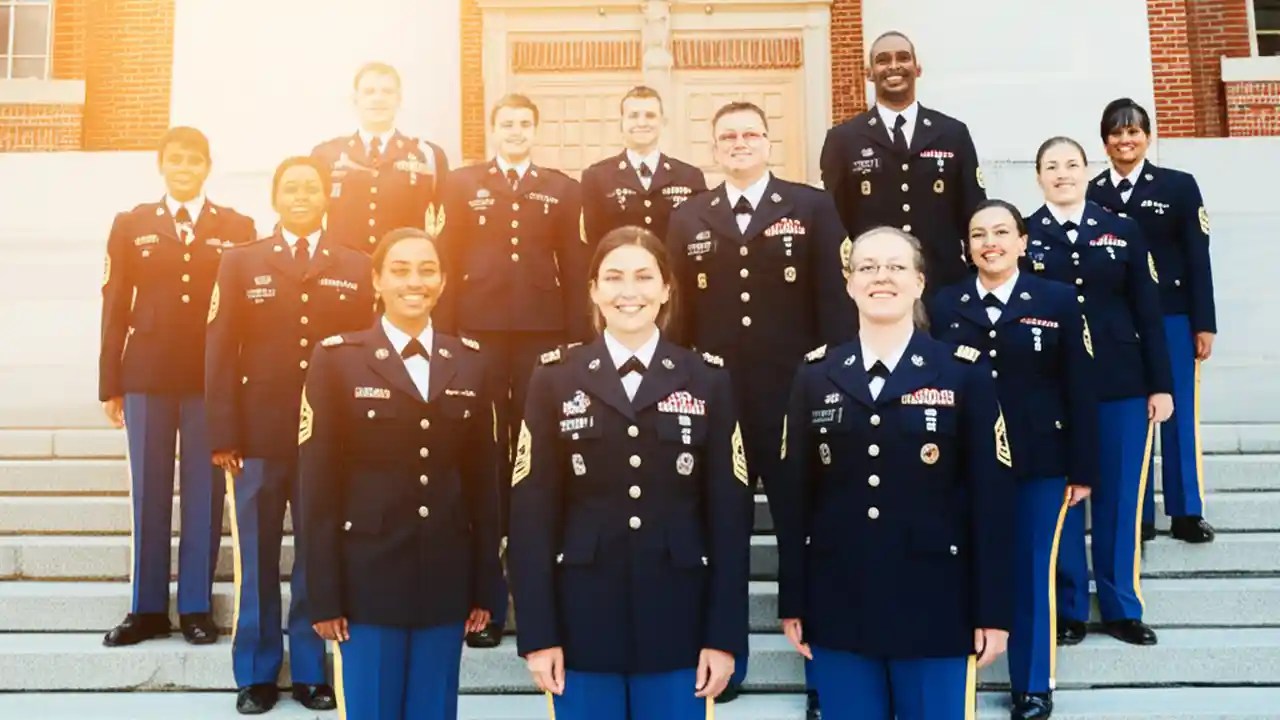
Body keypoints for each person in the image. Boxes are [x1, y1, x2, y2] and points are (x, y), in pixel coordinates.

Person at [507, 226, 752, 720]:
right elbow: (531, 516)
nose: (629, 292)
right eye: (614, 278)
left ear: (666, 290)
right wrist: (538, 635)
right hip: (582, 621)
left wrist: (723, 638)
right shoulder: (554, 378)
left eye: (644, 277)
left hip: (678, 620)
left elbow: (729, 519)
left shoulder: (707, 378)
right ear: (594, 290)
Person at [773, 226, 1015, 720]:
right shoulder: (816, 376)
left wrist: (992, 609)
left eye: (896, 267)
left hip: (937, 603)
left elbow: (992, 499)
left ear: (920, 282)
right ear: (849, 283)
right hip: (840, 600)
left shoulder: (961, 372)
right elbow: (794, 500)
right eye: (867, 267)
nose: (881, 278)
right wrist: (793, 598)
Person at [666, 99, 854, 714]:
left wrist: (829, 382)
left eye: (750, 134)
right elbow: (681, 321)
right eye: (728, 137)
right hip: (717, 403)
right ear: (714, 148)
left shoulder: (811, 207)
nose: (739, 143)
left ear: (769, 141)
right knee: (722, 531)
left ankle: (824, 673)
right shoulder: (689, 215)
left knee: (811, 529)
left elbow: (833, 300)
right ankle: (728, 659)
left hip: (793, 396)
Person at [298, 227, 504, 720]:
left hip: (445, 579)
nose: (415, 282)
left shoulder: (473, 363)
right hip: (366, 582)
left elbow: (485, 486)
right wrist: (322, 593)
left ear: (444, 281)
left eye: (427, 270)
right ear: (376, 281)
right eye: (400, 269)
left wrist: (486, 586)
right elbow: (316, 489)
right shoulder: (336, 360)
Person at [205, 157, 374, 714]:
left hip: (329, 439)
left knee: (317, 552)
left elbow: (364, 355)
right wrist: (223, 431)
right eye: (291, 187)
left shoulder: (354, 264)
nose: (302, 195)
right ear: (275, 197)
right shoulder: (240, 261)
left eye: (312, 187)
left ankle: (309, 670)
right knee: (254, 556)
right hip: (255, 436)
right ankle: (255, 673)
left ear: (327, 196)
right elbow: (220, 350)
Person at [930, 200, 1098, 720]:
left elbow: (1080, 388)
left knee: (1030, 572)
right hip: (961, 463)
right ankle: (958, 677)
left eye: (1002, 232)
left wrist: (1083, 469)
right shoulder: (944, 304)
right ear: (966, 246)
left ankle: (1032, 685)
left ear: (1023, 241)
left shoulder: (1059, 300)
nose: (990, 242)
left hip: (1040, 461)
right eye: (979, 234)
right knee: (960, 569)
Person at [435, 92, 589, 648]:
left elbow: (574, 268)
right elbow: (446, 261)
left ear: (536, 129)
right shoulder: (459, 184)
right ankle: (489, 602)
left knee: (536, 457)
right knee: (486, 456)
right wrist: (447, 337)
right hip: (476, 335)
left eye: (525, 123)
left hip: (542, 338)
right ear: (492, 131)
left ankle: (539, 595)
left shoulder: (562, 188)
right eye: (507, 124)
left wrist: (577, 341)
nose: (516, 131)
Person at [98, 126, 257, 648]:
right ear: (161, 165)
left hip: (210, 379)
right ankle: (145, 608)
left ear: (207, 166)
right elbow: (115, 301)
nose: (184, 168)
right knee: (148, 489)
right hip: (146, 373)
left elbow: (244, 311)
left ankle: (194, 605)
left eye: (194, 160)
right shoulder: (131, 223)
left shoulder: (237, 226)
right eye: (175, 160)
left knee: (205, 493)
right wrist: (110, 383)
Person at [1023, 137, 1174, 650]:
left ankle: (1120, 605)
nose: (1062, 173)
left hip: (1121, 382)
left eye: (1071, 164)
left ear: (1088, 170)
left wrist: (1161, 385)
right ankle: (1067, 607)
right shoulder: (1025, 233)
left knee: (1120, 497)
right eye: (1051, 166)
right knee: (1064, 497)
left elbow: (1147, 312)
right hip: (1051, 389)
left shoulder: (1122, 228)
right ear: (1038, 175)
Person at [1087, 98, 1217, 545]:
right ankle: (1137, 513)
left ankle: (1185, 511)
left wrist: (1205, 323)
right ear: (1104, 141)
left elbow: (1198, 258)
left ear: (1148, 136)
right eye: (1117, 133)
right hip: (1119, 326)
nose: (1126, 140)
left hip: (1173, 314)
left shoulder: (1178, 187)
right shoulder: (1093, 193)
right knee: (1131, 417)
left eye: (1134, 132)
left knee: (1178, 412)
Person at [819, 31, 986, 295]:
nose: (894, 66)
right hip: (876, 287)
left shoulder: (953, 133)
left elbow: (975, 212)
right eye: (883, 60)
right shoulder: (843, 139)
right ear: (869, 73)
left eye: (903, 58)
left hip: (943, 285)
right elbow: (833, 222)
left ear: (917, 69)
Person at [312, 62, 450, 255]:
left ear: (399, 99)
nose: (378, 99)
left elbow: (445, 222)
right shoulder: (327, 154)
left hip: (403, 267)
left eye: (387, 92)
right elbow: (310, 216)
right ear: (355, 99)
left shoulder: (427, 155)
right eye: (369, 92)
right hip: (343, 269)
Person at [580, 85, 708, 245]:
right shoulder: (596, 177)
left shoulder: (690, 177)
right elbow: (595, 241)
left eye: (650, 116)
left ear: (663, 122)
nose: (641, 123)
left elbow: (698, 240)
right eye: (633, 116)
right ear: (621, 123)